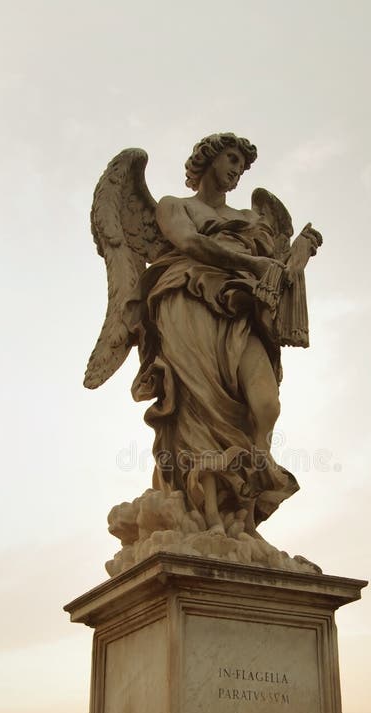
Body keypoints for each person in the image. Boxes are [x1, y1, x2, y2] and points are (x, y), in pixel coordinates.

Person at [125, 133, 320, 536]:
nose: (237, 170)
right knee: (198, 406)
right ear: (208, 158)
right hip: (186, 301)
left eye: (242, 166)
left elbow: (276, 274)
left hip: (240, 310)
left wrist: (299, 254)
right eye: (231, 159)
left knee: (264, 404)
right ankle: (213, 515)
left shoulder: (251, 219)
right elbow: (189, 242)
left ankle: (250, 486)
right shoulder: (174, 206)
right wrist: (253, 263)